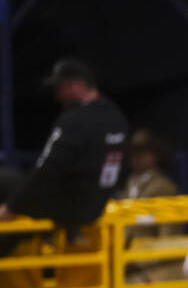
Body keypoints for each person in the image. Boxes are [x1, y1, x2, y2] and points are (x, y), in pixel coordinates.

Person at [0, 57, 128, 231]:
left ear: (78, 85)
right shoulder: (117, 118)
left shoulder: (74, 120)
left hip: (70, 208)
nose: (57, 96)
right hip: (98, 205)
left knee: (8, 180)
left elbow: (47, 168)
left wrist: (12, 207)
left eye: (61, 88)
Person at [116, 129, 177, 200]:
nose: (138, 157)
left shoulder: (164, 186)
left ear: (156, 155)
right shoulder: (129, 183)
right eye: (134, 153)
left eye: (144, 153)